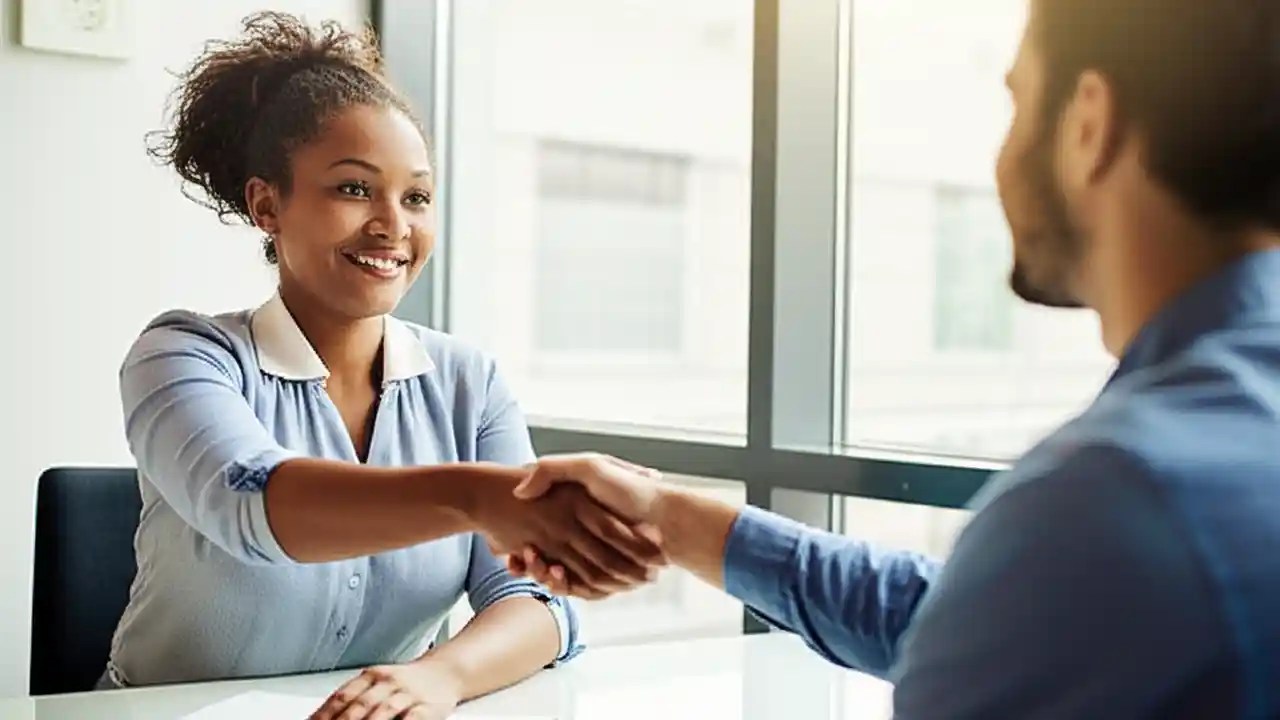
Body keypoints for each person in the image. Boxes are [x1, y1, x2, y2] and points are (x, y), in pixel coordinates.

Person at [508, 0, 1280, 715]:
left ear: (1088, 124)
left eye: (1016, 102)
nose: (1003, 153)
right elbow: (982, 618)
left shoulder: (1117, 499)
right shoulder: (1200, 461)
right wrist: (671, 521)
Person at [107, 12, 660, 720]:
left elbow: (536, 604)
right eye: (353, 188)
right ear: (267, 204)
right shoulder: (183, 356)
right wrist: (480, 497)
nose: (394, 225)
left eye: (417, 197)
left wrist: (437, 677)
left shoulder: (469, 382)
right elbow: (253, 504)